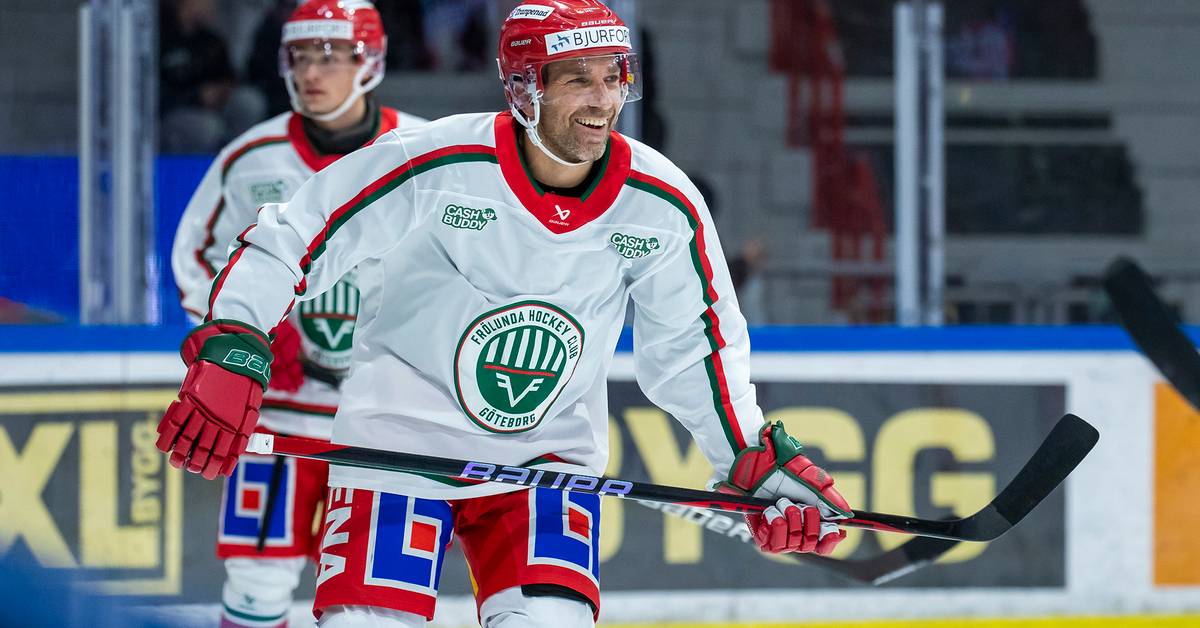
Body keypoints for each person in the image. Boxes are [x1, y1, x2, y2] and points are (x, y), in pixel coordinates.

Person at [157, 2, 852, 626]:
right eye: (578, 78)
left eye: (613, 76)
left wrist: (748, 455)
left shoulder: (661, 204)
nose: (603, 99)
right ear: (526, 87)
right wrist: (239, 340)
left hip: (544, 463)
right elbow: (297, 233)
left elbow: (694, 349)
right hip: (399, 448)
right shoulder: (438, 160)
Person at [169, 1, 426, 626]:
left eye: (331, 56)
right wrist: (244, 332)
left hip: (381, 424)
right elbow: (195, 256)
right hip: (276, 417)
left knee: (370, 608)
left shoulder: (426, 151)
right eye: (301, 56)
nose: (313, 72)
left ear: (371, 62)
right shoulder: (250, 156)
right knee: (256, 586)